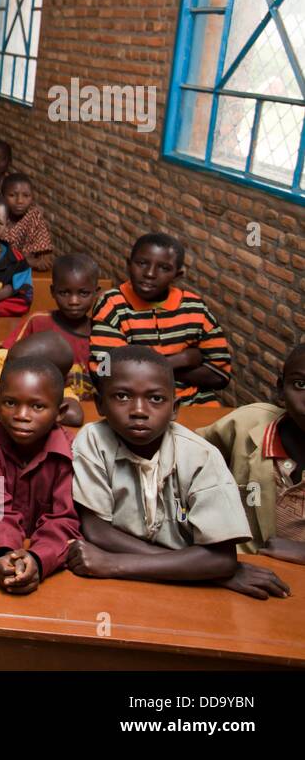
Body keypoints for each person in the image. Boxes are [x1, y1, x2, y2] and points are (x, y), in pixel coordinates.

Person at [68, 346, 289, 600]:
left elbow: (221, 559)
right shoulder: (92, 440)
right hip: (133, 588)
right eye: (122, 396)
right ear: (100, 404)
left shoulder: (201, 457)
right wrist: (202, 569)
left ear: (175, 408)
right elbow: (97, 532)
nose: (139, 410)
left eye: (156, 399)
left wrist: (112, 564)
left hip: (187, 593)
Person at [0, 356, 80, 593]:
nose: (21, 414)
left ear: (60, 413)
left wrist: (38, 559)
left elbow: (64, 520)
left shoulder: (72, 454)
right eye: (10, 403)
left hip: (54, 562)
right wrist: (5, 552)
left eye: (37, 406)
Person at [89, 232, 232, 407]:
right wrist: (181, 360)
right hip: (135, 406)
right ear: (128, 264)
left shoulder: (194, 307)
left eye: (164, 268)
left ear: (177, 275)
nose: (149, 273)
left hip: (194, 403)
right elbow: (105, 373)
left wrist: (152, 368)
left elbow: (220, 375)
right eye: (142, 263)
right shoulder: (112, 304)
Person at [198, 341, 305, 563]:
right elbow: (181, 455)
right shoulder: (247, 424)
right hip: (240, 566)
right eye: (301, 384)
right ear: (281, 390)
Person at [0, 252, 99, 399]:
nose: (73, 301)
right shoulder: (38, 322)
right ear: (52, 292)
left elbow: (108, 377)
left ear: (95, 293)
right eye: (64, 293)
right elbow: (6, 359)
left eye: (83, 293)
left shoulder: (101, 332)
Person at [0, 173, 54, 272]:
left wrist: (40, 262)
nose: (20, 201)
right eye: (12, 195)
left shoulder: (34, 217)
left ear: (32, 197)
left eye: (26, 196)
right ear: (2, 196)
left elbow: (45, 260)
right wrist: (26, 260)